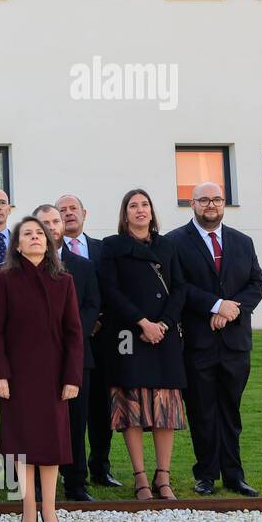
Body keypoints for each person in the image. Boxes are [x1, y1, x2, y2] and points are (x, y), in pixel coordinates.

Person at [166, 182, 262, 496]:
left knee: (230, 410)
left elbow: (256, 283)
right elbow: (178, 286)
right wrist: (215, 305)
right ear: (192, 204)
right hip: (198, 343)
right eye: (204, 200)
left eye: (217, 199)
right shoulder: (175, 242)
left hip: (235, 344)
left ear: (224, 203)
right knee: (202, 410)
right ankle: (206, 474)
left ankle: (234, 476)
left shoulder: (242, 241)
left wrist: (231, 309)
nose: (211, 205)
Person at [0, 217, 83, 522]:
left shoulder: (63, 281)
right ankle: (29, 508)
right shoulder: (4, 280)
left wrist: (72, 377)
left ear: (49, 241)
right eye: (27, 234)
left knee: (52, 442)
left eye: (39, 233)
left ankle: (51, 509)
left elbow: (74, 333)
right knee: (22, 443)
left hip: (54, 376)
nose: (35, 238)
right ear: (17, 244)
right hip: (17, 376)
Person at [97, 189, 188, 501]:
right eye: (133, 206)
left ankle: (163, 477)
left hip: (164, 335)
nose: (139, 210)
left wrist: (162, 324)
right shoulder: (112, 246)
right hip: (128, 336)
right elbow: (111, 291)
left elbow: (179, 288)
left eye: (144, 205)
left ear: (152, 211)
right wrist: (142, 323)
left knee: (165, 406)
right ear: (125, 214)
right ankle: (140, 479)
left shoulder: (168, 246)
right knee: (131, 406)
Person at [35, 204, 101, 501]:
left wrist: (71, 334)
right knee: (38, 420)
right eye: (43, 223)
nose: (51, 227)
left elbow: (92, 305)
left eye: (55, 221)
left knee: (76, 420)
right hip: (34, 360)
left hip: (76, 356)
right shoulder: (21, 268)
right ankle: (36, 483)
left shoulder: (83, 266)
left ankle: (76, 483)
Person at [56, 192, 120, 488]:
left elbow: (109, 290)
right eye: (62, 210)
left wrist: (95, 322)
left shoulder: (102, 249)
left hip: (101, 341)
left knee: (100, 408)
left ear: (85, 213)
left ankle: (101, 466)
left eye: (73, 209)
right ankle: (69, 469)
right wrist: (77, 329)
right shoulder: (49, 254)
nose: (69, 214)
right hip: (66, 343)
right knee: (71, 408)